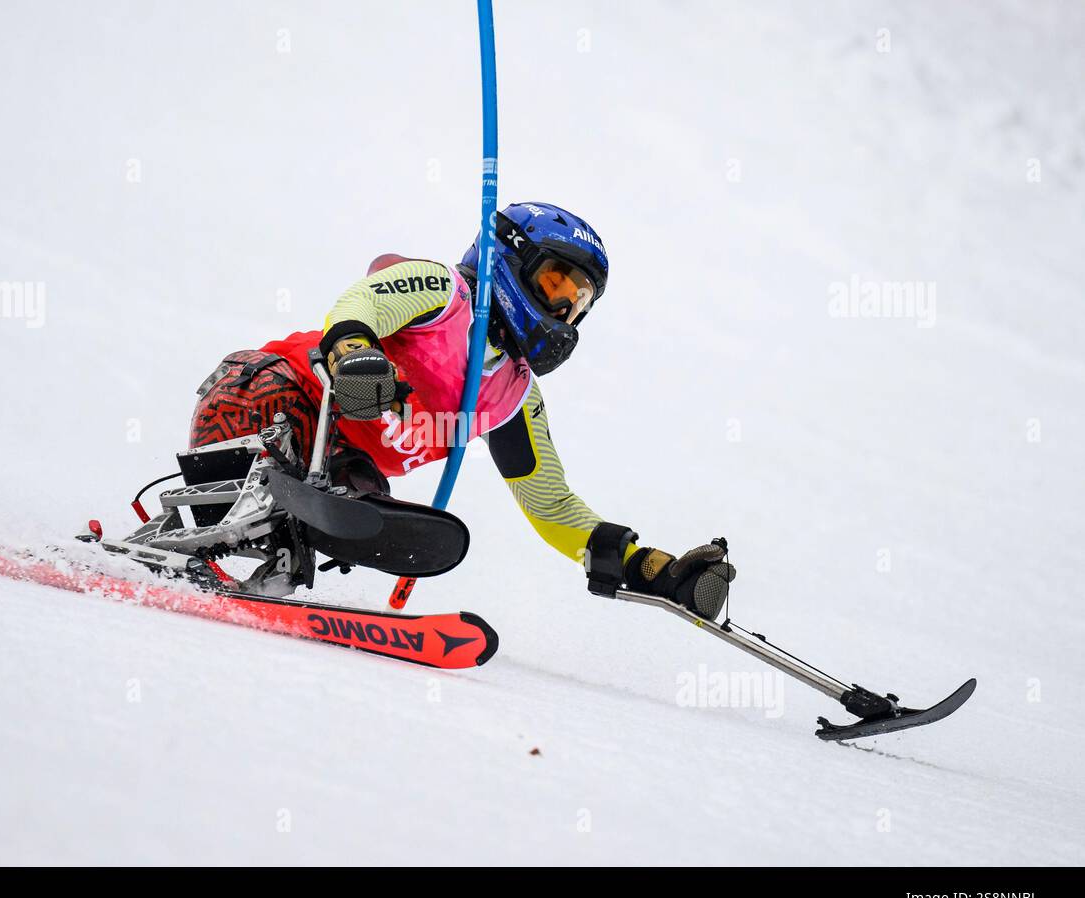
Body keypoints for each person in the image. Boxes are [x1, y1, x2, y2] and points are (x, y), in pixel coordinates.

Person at [189, 201, 735, 618]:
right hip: (264, 397)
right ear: (511, 258)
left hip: (335, 469)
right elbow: (364, 303)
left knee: (358, 494)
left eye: (578, 302)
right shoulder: (444, 291)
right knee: (332, 474)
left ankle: (281, 566)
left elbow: (550, 504)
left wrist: (643, 566)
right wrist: (355, 352)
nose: (564, 309)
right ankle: (261, 524)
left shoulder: (513, 395)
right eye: (555, 284)